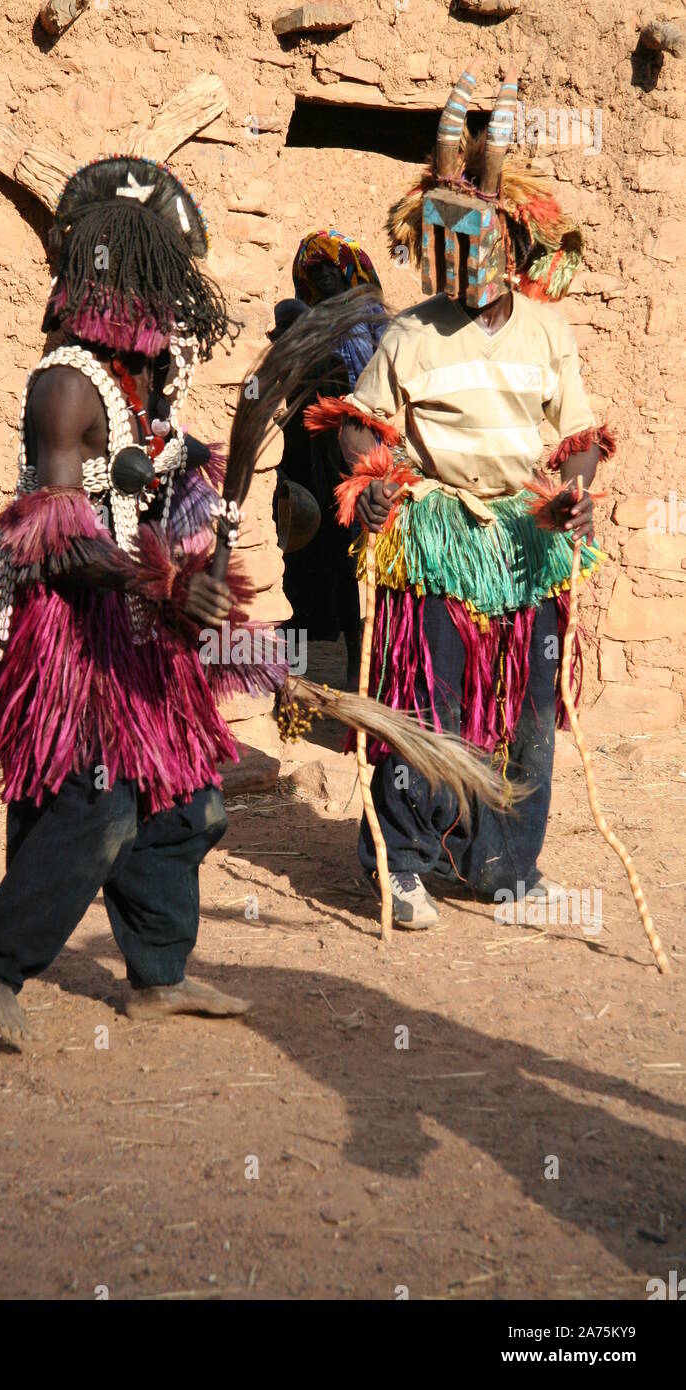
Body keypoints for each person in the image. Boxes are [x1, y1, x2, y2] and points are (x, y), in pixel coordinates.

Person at [0, 155, 282, 1042]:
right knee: (95, 801)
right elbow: (53, 547)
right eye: (150, 281)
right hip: (71, 618)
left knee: (187, 800)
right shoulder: (64, 386)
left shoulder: (146, 386)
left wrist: (199, 567)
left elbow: (165, 502)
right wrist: (159, 583)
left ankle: (159, 975)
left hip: (134, 611)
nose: (164, 305)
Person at [305, 61, 615, 929]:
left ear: (509, 242)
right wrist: (371, 479)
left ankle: (506, 870)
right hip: (438, 532)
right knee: (427, 703)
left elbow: (579, 440)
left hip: (527, 539)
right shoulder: (409, 333)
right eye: (438, 241)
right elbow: (357, 420)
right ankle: (400, 863)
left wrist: (574, 496)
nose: (450, 260)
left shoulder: (550, 333)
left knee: (526, 709)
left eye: (468, 241)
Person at [273, 231, 386, 684]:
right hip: (319, 447)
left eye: (329, 272)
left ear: (349, 274)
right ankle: (333, 658)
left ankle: (371, 663)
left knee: (370, 553)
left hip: (368, 445)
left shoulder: (374, 321)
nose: (322, 280)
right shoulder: (301, 317)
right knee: (327, 555)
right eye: (313, 273)